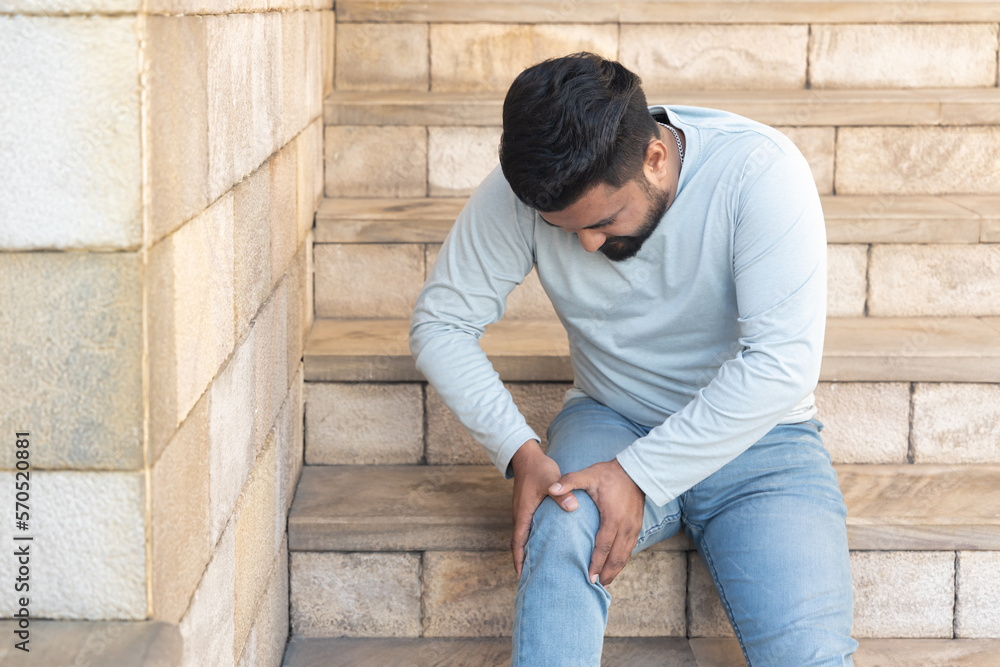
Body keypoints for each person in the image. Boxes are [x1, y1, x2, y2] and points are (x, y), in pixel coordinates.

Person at [409, 52, 856, 666]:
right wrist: (520, 449)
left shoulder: (758, 171)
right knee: (561, 525)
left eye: (602, 220)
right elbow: (442, 323)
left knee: (811, 656)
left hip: (763, 442)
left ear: (655, 157)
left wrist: (641, 474)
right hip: (612, 417)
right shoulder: (529, 188)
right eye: (564, 230)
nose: (587, 244)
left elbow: (781, 363)